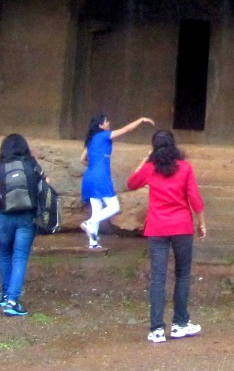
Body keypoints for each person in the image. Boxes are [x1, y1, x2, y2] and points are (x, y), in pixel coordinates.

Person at [127, 129, 207, 343]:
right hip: (182, 226)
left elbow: (131, 183)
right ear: (174, 146)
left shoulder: (150, 168)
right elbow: (195, 198)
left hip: (157, 228)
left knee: (158, 278)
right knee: (182, 274)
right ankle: (180, 323)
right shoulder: (185, 167)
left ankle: (157, 329)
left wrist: (146, 159)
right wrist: (202, 223)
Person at [0, 133, 49, 316]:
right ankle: (12, 300)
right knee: (19, 257)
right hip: (26, 217)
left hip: (4, 217)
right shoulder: (32, 165)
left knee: (4, 254)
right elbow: (46, 184)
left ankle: (4, 294)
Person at [80, 113, 155, 249]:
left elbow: (82, 159)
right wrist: (141, 119)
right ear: (101, 126)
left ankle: (93, 243)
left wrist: (94, 165)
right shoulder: (103, 135)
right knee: (114, 207)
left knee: (97, 209)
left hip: (89, 176)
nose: (108, 123)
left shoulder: (91, 140)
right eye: (106, 122)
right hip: (101, 177)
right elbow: (127, 129)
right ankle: (89, 223)